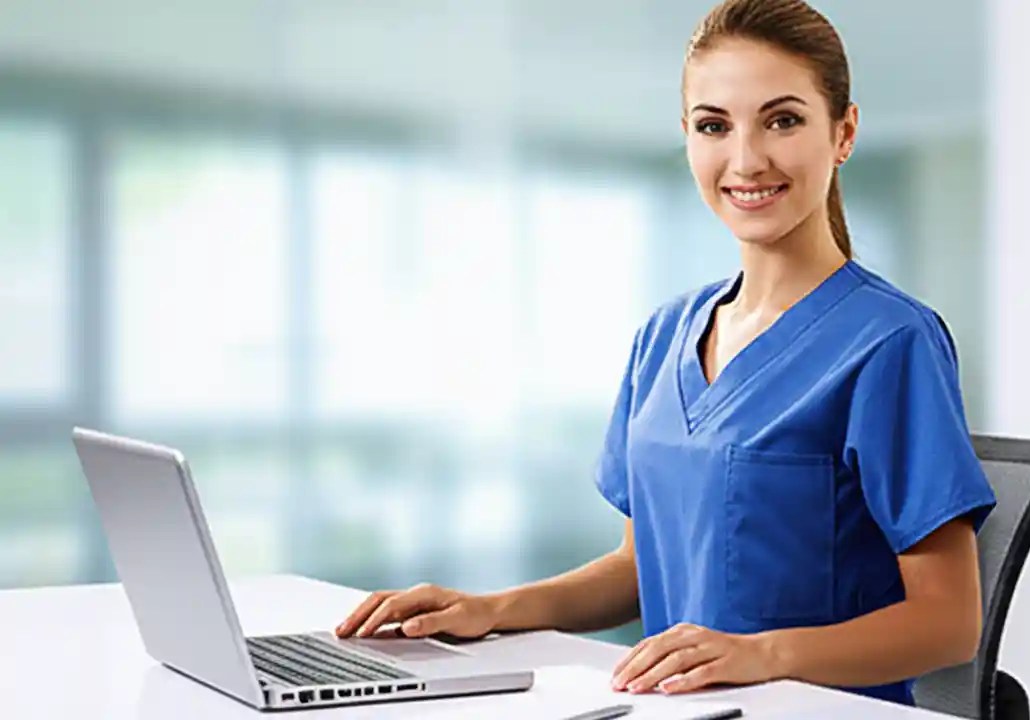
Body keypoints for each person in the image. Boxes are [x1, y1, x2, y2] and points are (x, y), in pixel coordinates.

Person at [335, 0, 996, 707]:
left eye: (783, 120)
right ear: (688, 138)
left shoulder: (890, 342)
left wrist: (758, 655)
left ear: (844, 133)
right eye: (715, 125)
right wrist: (492, 610)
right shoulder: (664, 336)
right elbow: (641, 568)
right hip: (676, 706)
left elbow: (948, 624)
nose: (746, 159)